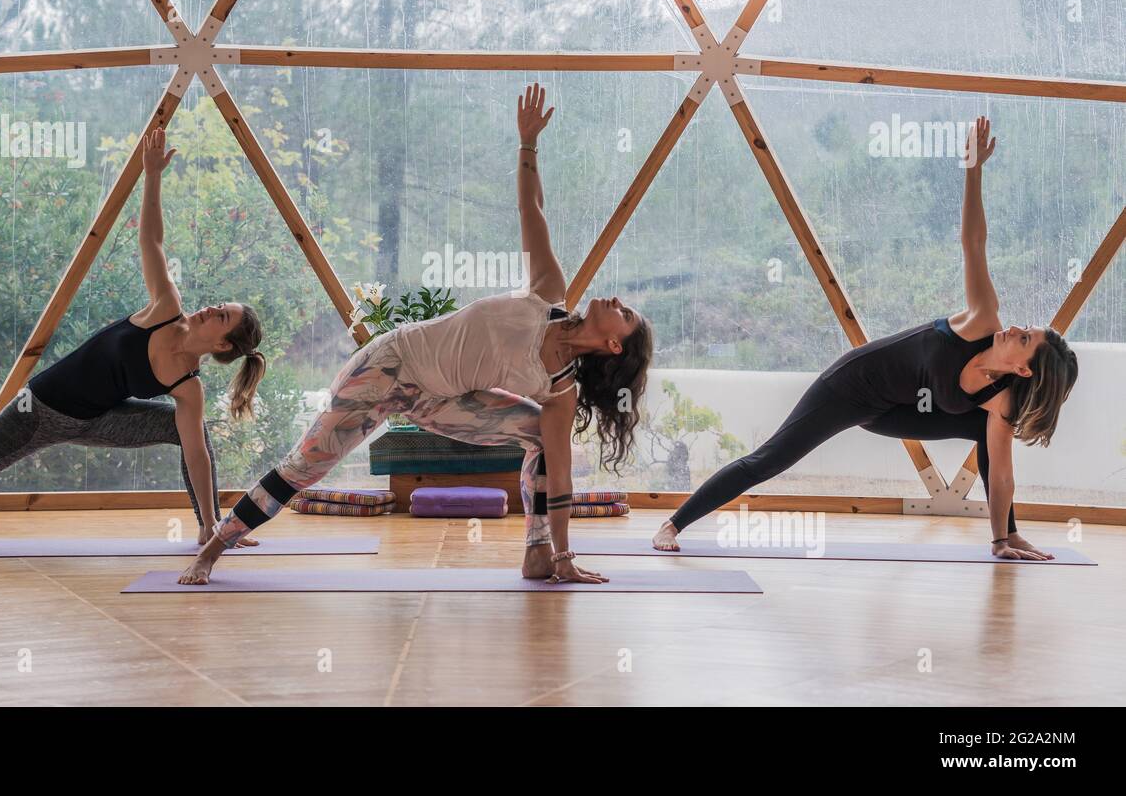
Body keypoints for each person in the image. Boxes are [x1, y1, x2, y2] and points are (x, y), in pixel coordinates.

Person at [178, 83, 654, 585]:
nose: (615, 302)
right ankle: (213, 547)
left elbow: (560, 481)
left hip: (437, 401)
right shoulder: (547, 296)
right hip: (388, 366)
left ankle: (539, 555)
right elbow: (531, 211)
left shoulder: (560, 391)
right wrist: (528, 143)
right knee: (305, 467)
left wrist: (564, 556)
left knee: (548, 441)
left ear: (613, 345)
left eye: (624, 314)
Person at [652, 117, 1078, 560]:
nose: (1015, 328)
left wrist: (1000, 541)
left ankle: (1005, 538)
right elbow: (974, 242)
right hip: (853, 387)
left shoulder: (1003, 399)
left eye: (1025, 337)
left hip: (898, 413)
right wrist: (973, 170)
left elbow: (1003, 471)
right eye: (1024, 328)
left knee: (989, 434)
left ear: (1024, 368)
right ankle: (673, 521)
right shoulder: (982, 319)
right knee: (773, 459)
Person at [0, 128, 267, 553]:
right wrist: (152, 174)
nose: (211, 308)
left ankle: (206, 528)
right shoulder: (166, 308)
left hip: (98, 419)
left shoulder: (188, 388)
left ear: (223, 345)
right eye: (218, 305)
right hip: (38, 411)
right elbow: (151, 240)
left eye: (222, 316)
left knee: (191, 432)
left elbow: (197, 456)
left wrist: (215, 522)